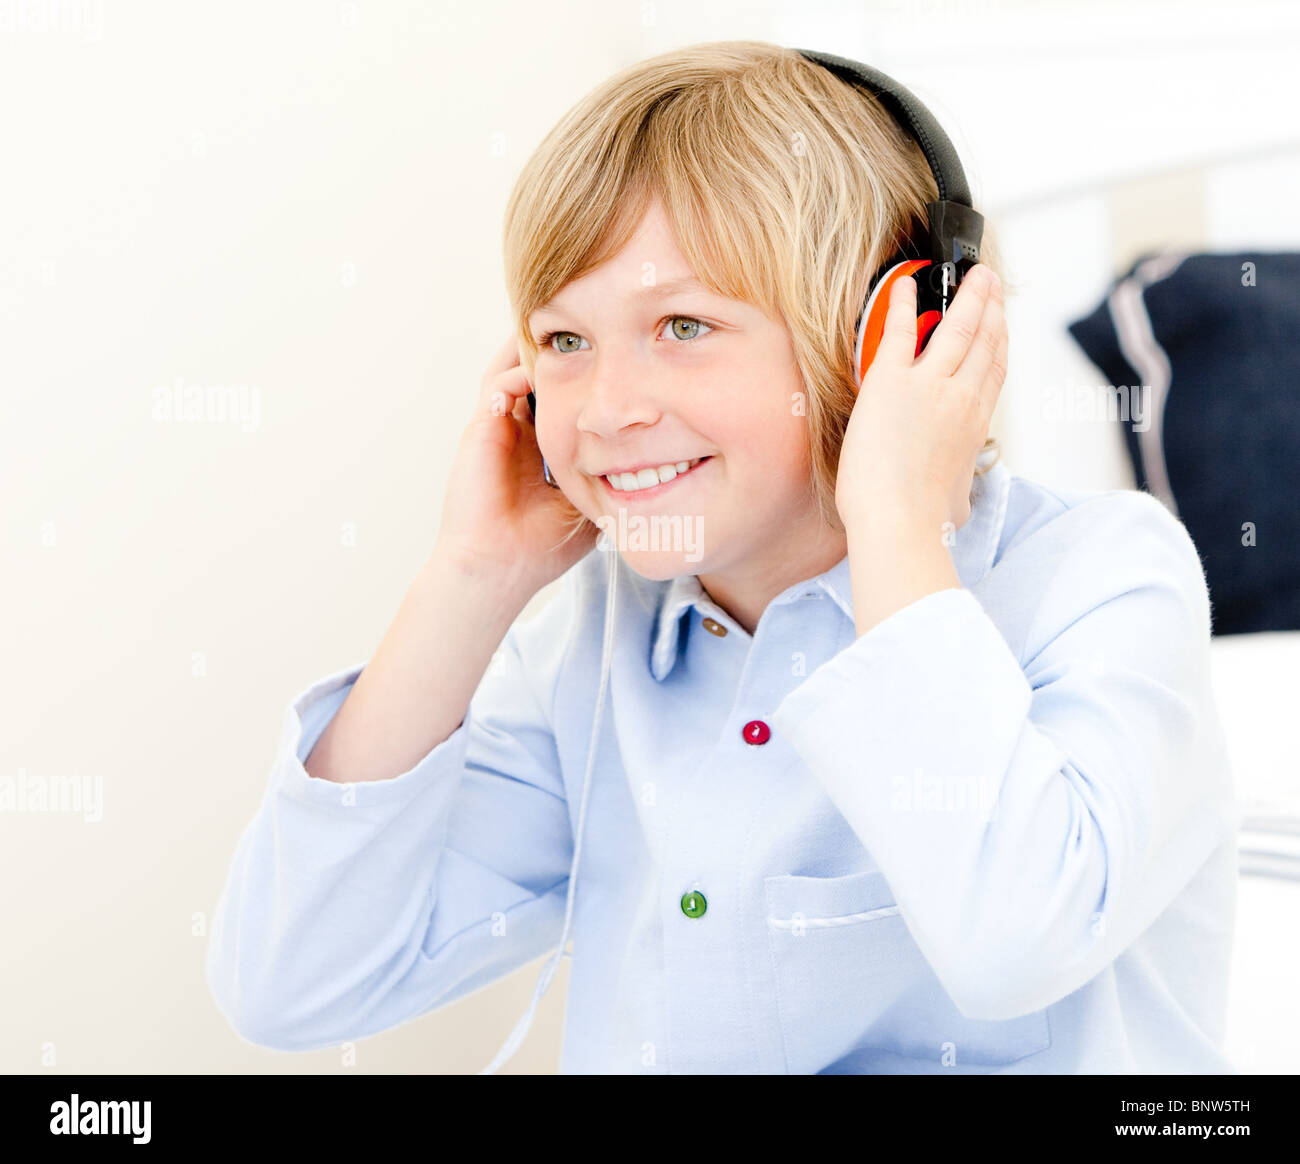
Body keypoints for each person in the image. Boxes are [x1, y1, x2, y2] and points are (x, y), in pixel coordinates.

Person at [206, 40, 1238, 1074]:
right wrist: (472, 577)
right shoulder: (591, 646)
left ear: (893, 334)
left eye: (683, 324)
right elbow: (292, 983)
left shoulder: (1102, 579)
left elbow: (1016, 943)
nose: (608, 409)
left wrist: (892, 522)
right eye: (564, 342)